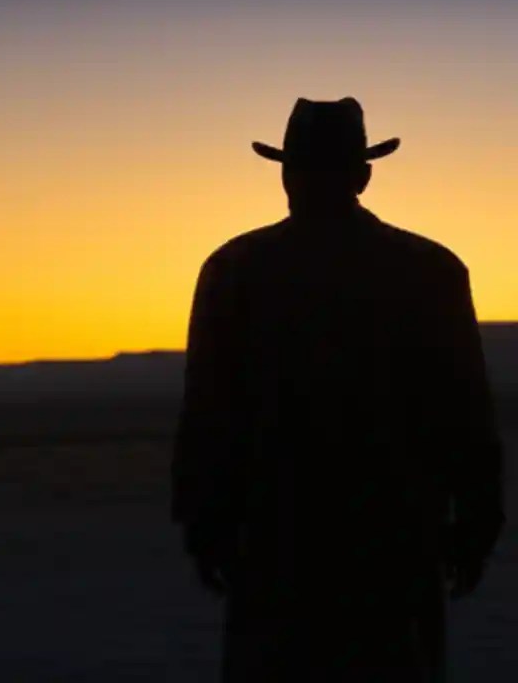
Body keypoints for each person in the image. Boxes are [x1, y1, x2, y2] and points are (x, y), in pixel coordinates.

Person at [172, 97, 505, 682]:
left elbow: (207, 412)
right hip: (394, 541)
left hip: (275, 540)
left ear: (284, 173)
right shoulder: (430, 269)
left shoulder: (233, 268)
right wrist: (477, 521)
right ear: (364, 174)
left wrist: (204, 523)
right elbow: (467, 410)